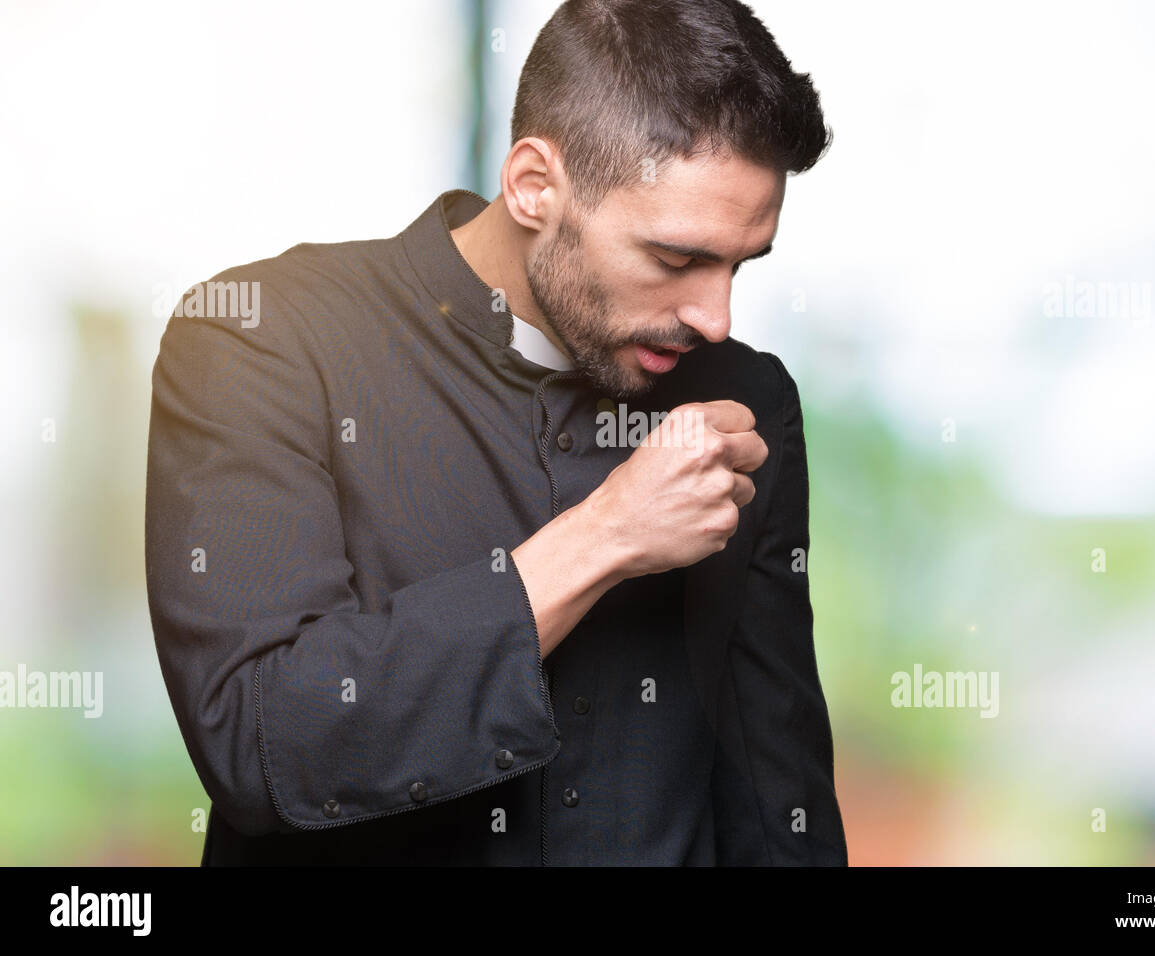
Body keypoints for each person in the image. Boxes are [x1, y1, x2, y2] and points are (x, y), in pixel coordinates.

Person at [145, 0, 847, 865]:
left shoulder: (747, 398)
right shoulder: (261, 339)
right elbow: (262, 745)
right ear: (533, 186)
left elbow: (779, 798)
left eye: (739, 263)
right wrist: (607, 535)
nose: (715, 316)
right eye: (675, 259)